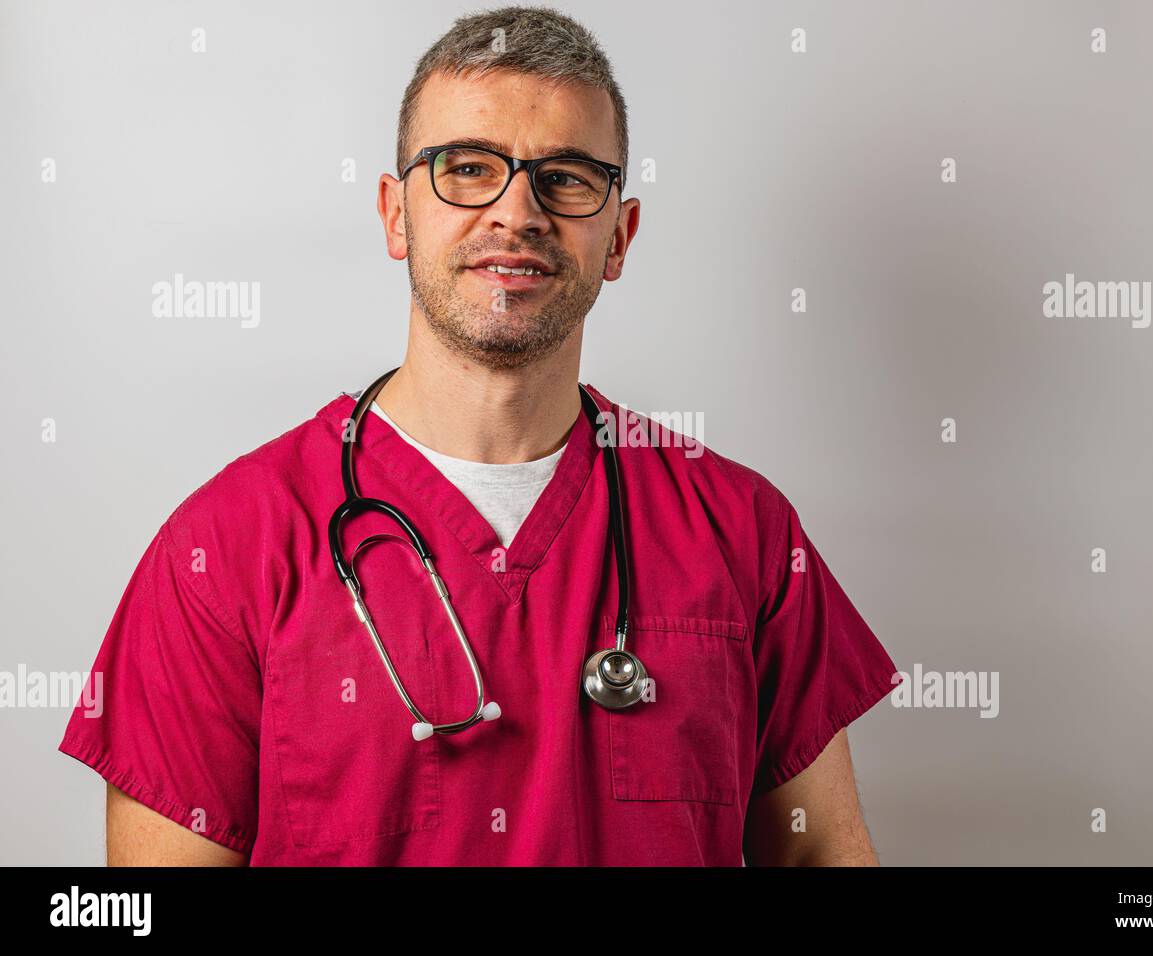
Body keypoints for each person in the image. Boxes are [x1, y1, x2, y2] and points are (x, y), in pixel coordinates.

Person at [58, 5, 898, 866]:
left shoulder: (742, 529)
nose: (518, 212)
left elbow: (820, 852)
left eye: (566, 177)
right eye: (467, 168)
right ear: (396, 215)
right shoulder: (228, 546)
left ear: (620, 236)